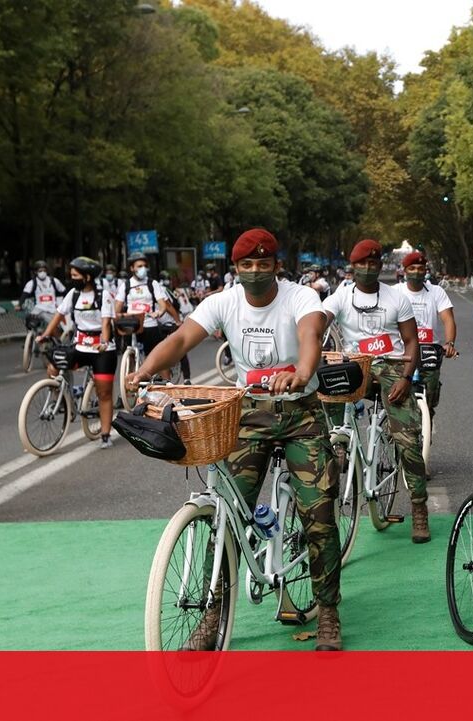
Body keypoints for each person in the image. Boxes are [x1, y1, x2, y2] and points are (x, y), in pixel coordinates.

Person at [128, 228, 342, 651]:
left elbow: (310, 337)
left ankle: (329, 610)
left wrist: (300, 372)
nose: (256, 271)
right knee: (224, 512)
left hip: (299, 413)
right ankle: (214, 614)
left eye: (264, 264)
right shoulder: (223, 302)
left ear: (277, 267)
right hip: (247, 415)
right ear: (236, 268)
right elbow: (180, 339)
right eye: (247, 265)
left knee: (318, 511)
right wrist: (144, 371)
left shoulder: (300, 298)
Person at [322, 239, 430, 543]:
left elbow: (412, 342)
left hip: (393, 366)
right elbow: (320, 322)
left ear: (380, 267)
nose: (368, 268)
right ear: (352, 267)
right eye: (362, 264)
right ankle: (340, 441)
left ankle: (419, 508)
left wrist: (406, 378)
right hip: (356, 367)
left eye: (373, 264)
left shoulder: (397, 298)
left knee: (407, 441)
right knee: (324, 383)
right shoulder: (340, 297)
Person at [41, 257, 117, 448]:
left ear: (88, 277)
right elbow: (58, 316)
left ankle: (106, 435)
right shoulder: (73, 295)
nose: (71, 278)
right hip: (80, 346)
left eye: (75, 275)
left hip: (102, 350)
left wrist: (105, 342)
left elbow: (106, 323)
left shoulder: (104, 295)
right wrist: (44, 335)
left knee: (104, 392)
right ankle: (62, 400)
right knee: (54, 365)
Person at [397, 251, 456, 411]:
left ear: (426, 271)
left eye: (421, 268)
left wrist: (449, 343)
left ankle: (426, 425)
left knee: (430, 396)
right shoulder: (395, 292)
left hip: (430, 349)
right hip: (401, 350)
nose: (417, 272)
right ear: (404, 271)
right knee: (396, 396)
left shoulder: (436, 292)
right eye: (412, 268)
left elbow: (448, 319)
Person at [114, 253, 180, 380]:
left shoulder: (152, 283)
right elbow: (116, 308)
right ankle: (129, 390)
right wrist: (118, 316)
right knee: (130, 360)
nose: (142, 268)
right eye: (139, 266)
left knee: (158, 358)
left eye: (144, 266)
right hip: (131, 325)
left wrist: (159, 312)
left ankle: (167, 385)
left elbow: (163, 304)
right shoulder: (125, 285)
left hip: (150, 324)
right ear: (132, 268)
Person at [156, 271, 192, 383]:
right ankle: (185, 378)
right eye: (167, 279)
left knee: (179, 349)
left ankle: (186, 378)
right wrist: (178, 321)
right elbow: (168, 306)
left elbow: (172, 305)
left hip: (167, 323)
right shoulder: (161, 289)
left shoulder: (168, 290)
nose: (169, 281)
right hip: (166, 323)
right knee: (178, 350)